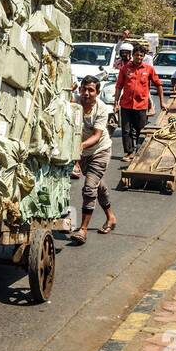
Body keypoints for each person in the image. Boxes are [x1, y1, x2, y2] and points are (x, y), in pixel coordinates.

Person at [70, 76, 117, 244]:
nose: (87, 93)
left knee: (89, 187)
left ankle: (82, 229)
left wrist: (79, 147)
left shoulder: (102, 109)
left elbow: (97, 136)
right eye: (84, 89)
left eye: (91, 90)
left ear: (97, 92)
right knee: (98, 185)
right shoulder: (75, 101)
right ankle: (111, 217)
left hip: (100, 151)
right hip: (82, 153)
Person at [115, 41, 164, 160]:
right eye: (136, 55)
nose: (139, 57)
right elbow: (119, 86)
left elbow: (158, 84)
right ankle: (129, 152)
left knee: (140, 130)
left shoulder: (149, 69)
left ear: (144, 57)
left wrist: (162, 102)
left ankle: (140, 152)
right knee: (126, 130)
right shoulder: (125, 69)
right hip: (126, 104)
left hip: (141, 105)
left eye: (141, 55)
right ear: (132, 55)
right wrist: (115, 102)